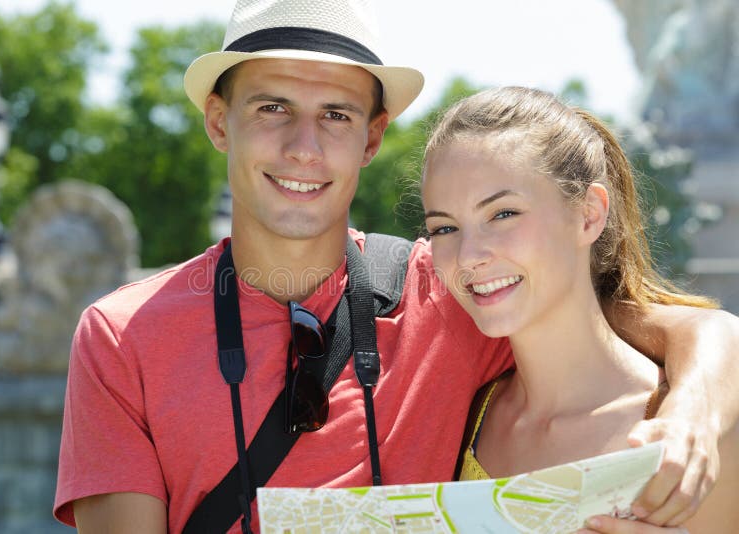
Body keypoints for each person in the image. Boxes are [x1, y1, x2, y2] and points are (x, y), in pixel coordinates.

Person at [54, 1, 739, 533]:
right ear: (217, 121)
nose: (304, 147)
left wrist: (691, 412)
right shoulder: (120, 339)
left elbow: (670, 326)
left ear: (373, 137)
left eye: (337, 114)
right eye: (272, 108)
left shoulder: (454, 288)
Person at [422, 86, 739, 532]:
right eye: (445, 227)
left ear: (589, 215)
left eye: (503, 214)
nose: (469, 254)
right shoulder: (465, 417)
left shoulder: (690, 433)